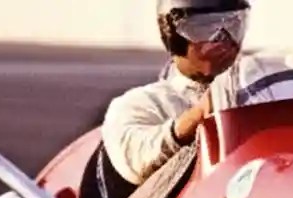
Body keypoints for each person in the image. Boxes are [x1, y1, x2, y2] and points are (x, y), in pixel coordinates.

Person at [100, 0, 251, 188]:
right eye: (205, 29)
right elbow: (137, 161)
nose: (224, 40)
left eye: (233, 26)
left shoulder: (260, 91)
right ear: (174, 37)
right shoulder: (142, 103)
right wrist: (196, 117)